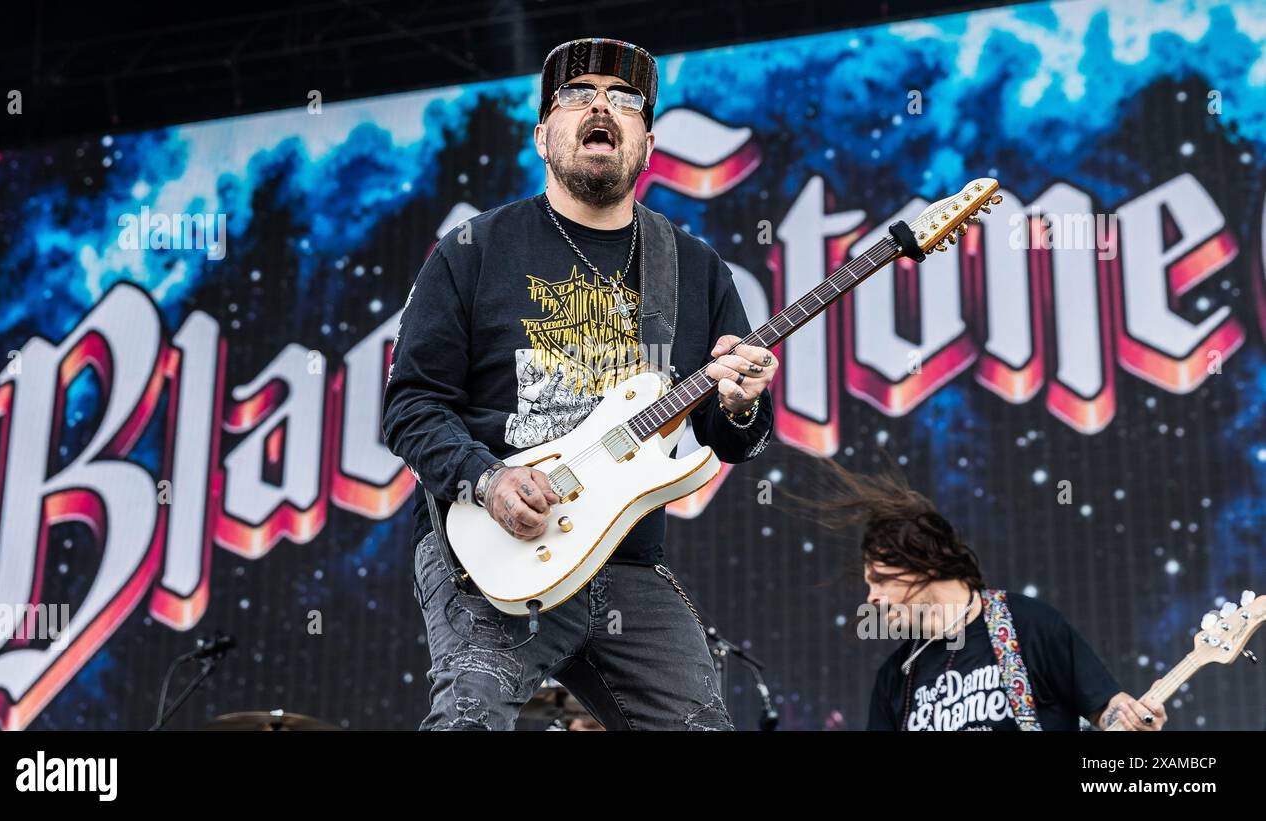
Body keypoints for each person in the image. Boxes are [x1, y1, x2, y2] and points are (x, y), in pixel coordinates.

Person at [382, 38, 777, 730]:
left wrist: (742, 405)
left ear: (647, 143)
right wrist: (490, 480)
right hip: (489, 544)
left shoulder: (694, 269)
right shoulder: (473, 252)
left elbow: (728, 438)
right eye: (577, 93)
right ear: (542, 135)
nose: (602, 105)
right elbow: (410, 407)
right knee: (471, 717)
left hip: (625, 559)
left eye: (625, 100)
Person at [791, 457, 1166, 731]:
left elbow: (1109, 710)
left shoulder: (1027, 625)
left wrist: (1137, 722)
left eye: (881, 579)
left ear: (926, 565)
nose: (870, 598)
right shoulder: (895, 679)